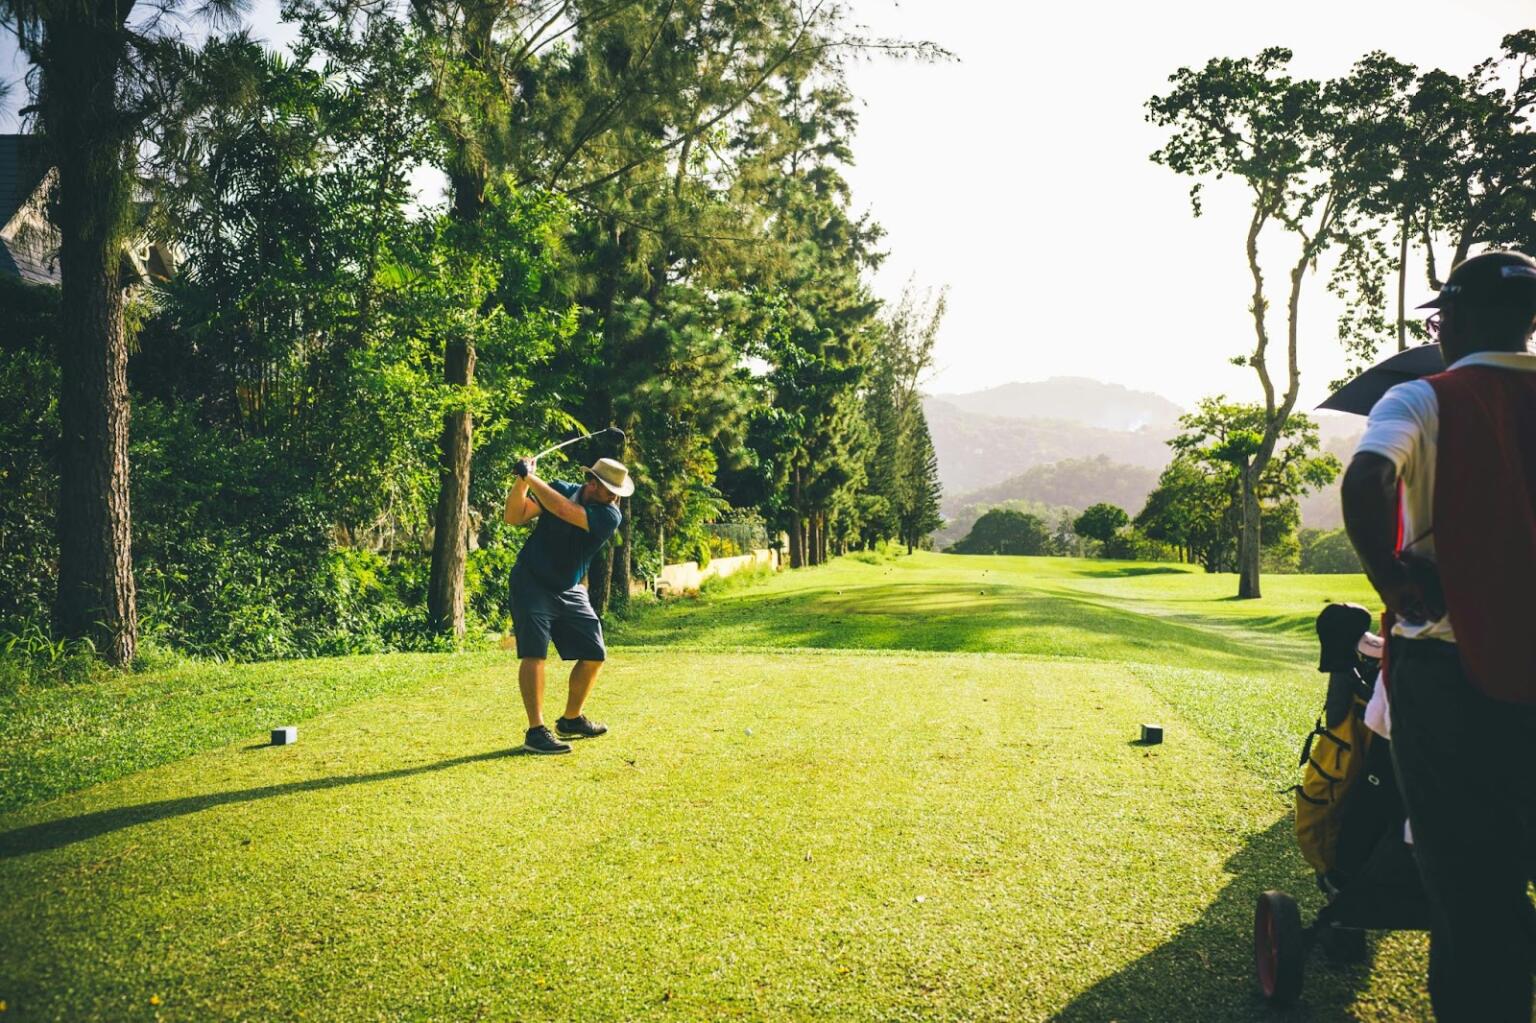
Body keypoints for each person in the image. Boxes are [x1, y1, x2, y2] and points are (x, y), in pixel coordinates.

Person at [1341, 249, 1536, 1022]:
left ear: (1450, 318)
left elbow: (1367, 479)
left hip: (1455, 671)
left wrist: (1394, 582)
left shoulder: (1423, 397)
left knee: (1471, 882)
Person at [504, 454, 634, 755]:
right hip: (531, 581)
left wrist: (530, 478)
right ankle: (536, 731)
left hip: (569, 588)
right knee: (534, 653)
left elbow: (563, 510)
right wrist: (521, 483)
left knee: (594, 654)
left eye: (618, 492)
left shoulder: (609, 515)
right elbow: (514, 516)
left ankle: (571, 719)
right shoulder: (560, 488)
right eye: (610, 490)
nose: (615, 497)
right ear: (592, 482)